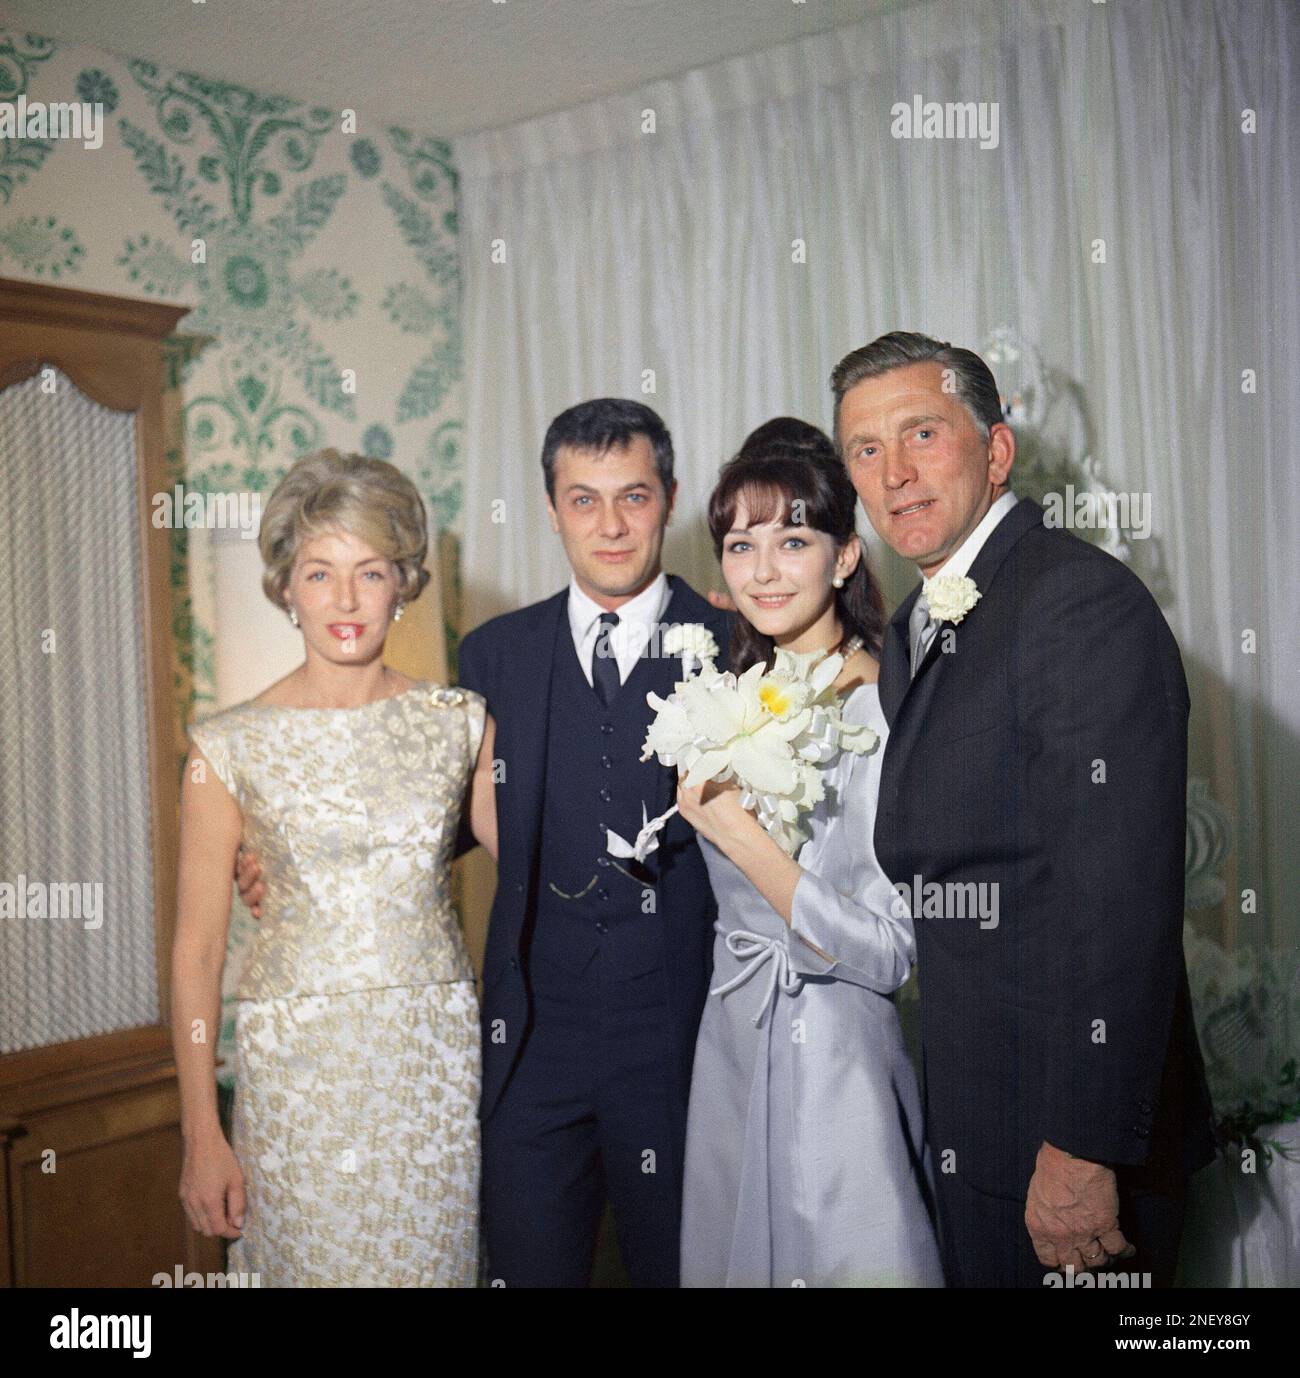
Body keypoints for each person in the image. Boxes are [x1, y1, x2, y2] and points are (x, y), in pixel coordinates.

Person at [832, 331, 1217, 1287]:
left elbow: (1117, 904)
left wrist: (1083, 1153)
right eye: (866, 451)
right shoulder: (919, 628)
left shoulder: (1078, 605)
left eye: (922, 432)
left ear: (996, 450)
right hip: (981, 1126)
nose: (896, 473)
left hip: (1072, 1152)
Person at [173, 450, 497, 1286]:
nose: (346, 601)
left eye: (371, 572)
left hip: (431, 1069)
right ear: (286, 586)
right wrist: (203, 1133)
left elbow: (548, 863)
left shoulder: (461, 723)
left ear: (404, 581)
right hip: (297, 1077)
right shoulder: (227, 745)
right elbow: (198, 954)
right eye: (320, 573)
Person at [457, 398, 731, 1287]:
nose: (610, 525)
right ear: (551, 507)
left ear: (670, 499)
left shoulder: (736, 639)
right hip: (535, 1036)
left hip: (682, 1034)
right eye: (584, 499)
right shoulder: (494, 653)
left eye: (634, 496)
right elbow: (440, 814)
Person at [676, 419, 943, 1287]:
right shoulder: (739, 698)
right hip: (731, 1036)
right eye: (740, 543)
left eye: (792, 540)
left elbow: (890, 951)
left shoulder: (878, 711)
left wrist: (750, 845)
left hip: (834, 1053)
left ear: (842, 558)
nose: (761, 569)